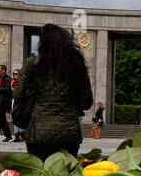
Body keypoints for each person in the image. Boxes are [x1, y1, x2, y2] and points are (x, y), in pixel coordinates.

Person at [8, 23, 94, 161]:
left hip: (38, 132)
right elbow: (86, 103)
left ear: (42, 43)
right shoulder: (78, 65)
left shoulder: (32, 63)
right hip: (68, 132)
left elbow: (17, 93)